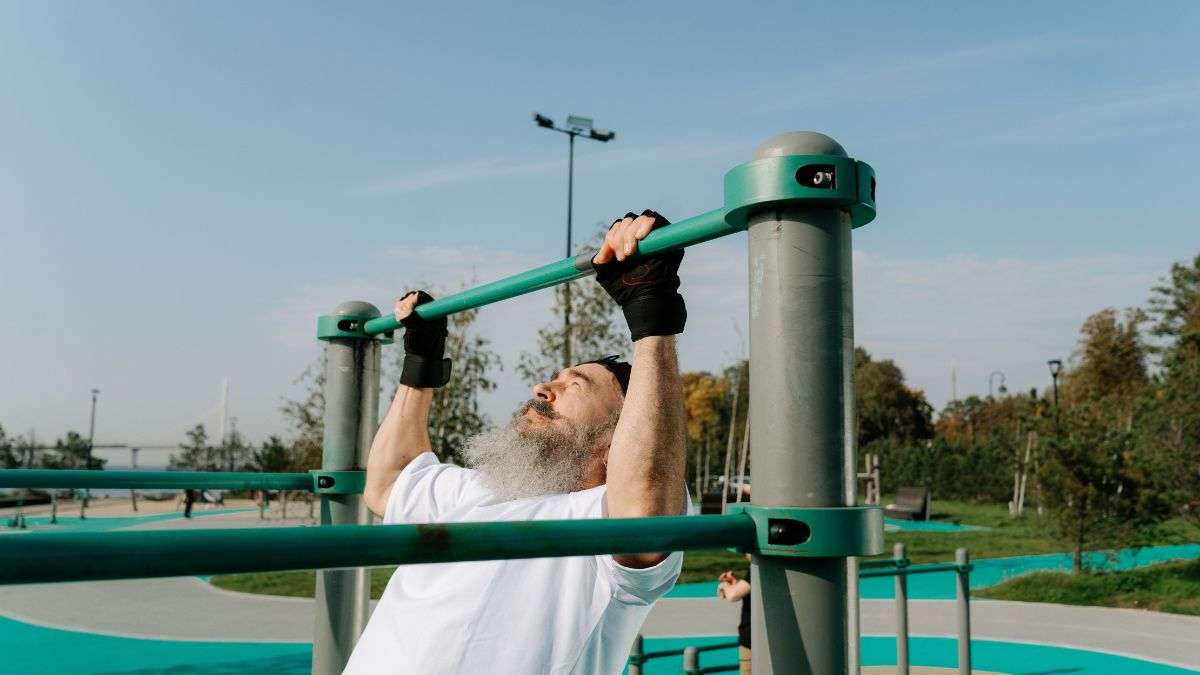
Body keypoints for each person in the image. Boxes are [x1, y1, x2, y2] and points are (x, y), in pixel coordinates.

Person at [344, 211, 689, 674]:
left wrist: (651, 311)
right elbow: (387, 484)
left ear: (618, 432)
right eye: (552, 379)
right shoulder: (476, 492)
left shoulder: (602, 523)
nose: (542, 389)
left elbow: (645, 508)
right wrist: (420, 365)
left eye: (575, 384)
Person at [716, 563, 752, 675]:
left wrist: (725, 585)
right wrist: (733, 584)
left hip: (750, 640)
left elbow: (733, 595)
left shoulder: (758, 567)